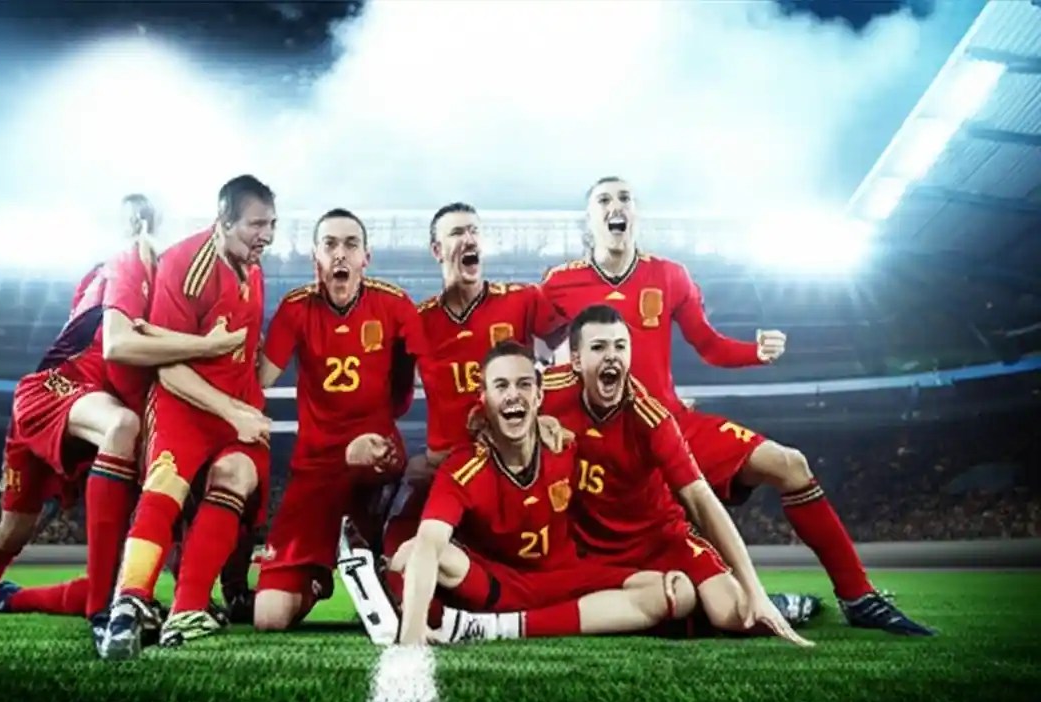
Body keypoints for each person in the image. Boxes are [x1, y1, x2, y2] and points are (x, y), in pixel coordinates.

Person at [540, 176, 931, 636]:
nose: (615, 206)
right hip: (602, 437)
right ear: (589, 221)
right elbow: (538, 352)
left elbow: (707, 344)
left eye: (624, 198)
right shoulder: (560, 283)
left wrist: (753, 351)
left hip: (671, 424)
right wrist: (549, 406)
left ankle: (857, 595)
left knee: (790, 464)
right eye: (603, 200)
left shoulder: (669, 276)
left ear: (634, 213)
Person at [0, 194, 246, 659]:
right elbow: (118, 346)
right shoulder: (128, 262)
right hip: (58, 393)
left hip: (105, 417)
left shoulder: (176, 290)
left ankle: (36, 599)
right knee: (12, 533)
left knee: (138, 552)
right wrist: (206, 346)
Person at [392, 341, 694, 645]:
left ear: (539, 396)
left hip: (567, 578)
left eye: (524, 384)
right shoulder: (464, 467)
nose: (513, 394)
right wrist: (411, 637)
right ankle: (422, 615)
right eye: (501, 385)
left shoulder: (568, 448)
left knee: (677, 593)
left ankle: (489, 627)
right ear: (484, 400)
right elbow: (430, 542)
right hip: (497, 584)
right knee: (411, 553)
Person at [543, 304, 811, 645]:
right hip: (582, 547)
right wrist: (531, 424)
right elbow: (490, 408)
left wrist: (754, 590)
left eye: (620, 347)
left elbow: (700, 498)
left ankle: (780, 605)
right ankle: (679, 611)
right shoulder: (544, 391)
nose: (612, 357)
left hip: (658, 540)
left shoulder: (652, 418)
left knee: (733, 615)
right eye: (599, 347)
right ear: (576, 360)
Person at [100, 175, 277, 660]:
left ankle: (187, 610)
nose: (265, 236)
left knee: (237, 476)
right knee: (167, 484)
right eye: (255, 225)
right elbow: (166, 365)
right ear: (224, 221)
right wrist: (229, 410)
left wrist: (244, 407)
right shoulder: (184, 265)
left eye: (271, 225)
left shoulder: (254, 269)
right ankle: (128, 604)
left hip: (234, 408)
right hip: (185, 403)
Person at [250, 208, 424, 638]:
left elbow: (432, 373)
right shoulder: (295, 309)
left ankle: (377, 543)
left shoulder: (394, 304)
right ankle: (326, 571)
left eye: (350, 245)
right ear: (316, 259)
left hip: (377, 453)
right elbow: (257, 383)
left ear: (367, 257)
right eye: (330, 245)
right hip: (314, 468)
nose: (340, 254)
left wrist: (437, 449)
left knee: (361, 447)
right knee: (269, 617)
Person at [383, 202, 564, 586]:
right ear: (437, 250)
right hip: (444, 472)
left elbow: (568, 352)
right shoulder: (417, 322)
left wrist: (550, 413)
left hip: (509, 472)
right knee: (399, 561)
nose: (469, 239)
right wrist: (406, 458)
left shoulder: (523, 301)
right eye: (457, 233)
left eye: (474, 231)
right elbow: (392, 399)